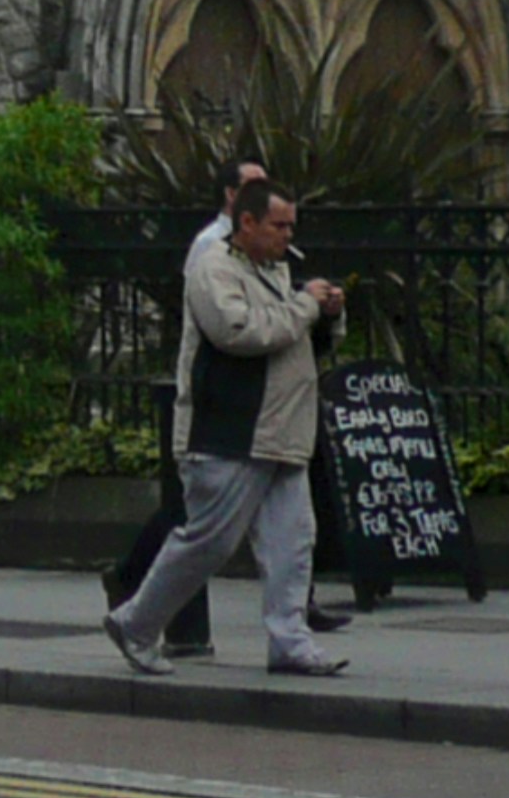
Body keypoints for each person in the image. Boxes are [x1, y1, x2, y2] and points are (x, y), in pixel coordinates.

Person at [106, 184, 346, 680]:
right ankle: (136, 623)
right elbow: (240, 332)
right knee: (208, 542)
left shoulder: (277, 271)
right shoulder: (213, 269)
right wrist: (305, 307)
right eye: (279, 225)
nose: (288, 235)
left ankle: (290, 641)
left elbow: (297, 340)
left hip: (283, 433)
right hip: (230, 433)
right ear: (247, 223)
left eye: (292, 226)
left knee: (292, 542)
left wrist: (328, 317)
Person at [104, 157, 268, 666]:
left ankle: (293, 620)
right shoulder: (210, 247)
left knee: (262, 519)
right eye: (253, 187)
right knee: (198, 523)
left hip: (256, 403)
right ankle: (134, 589)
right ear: (230, 196)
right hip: (209, 399)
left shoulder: (266, 246)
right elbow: (222, 322)